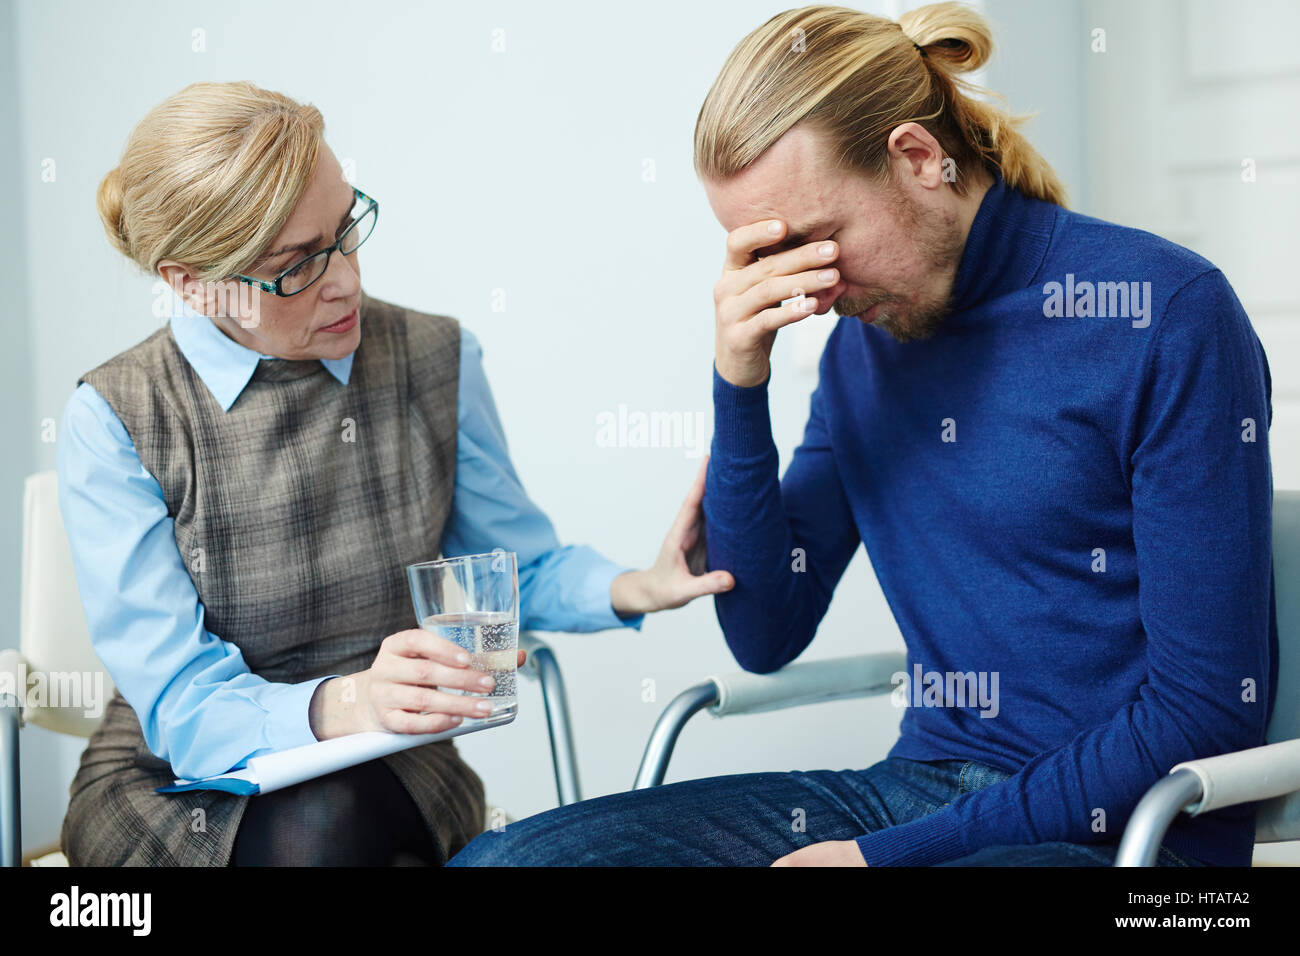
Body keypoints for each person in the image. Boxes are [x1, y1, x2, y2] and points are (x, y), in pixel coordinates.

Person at [447, 1, 1275, 867]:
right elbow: (767, 634)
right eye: (768, 260)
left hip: (1134, 839)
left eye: (817, 243)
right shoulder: (860, 352)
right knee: (502, 864)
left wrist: (884, 859)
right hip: (921, 789)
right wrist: (741, 377)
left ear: (918, 158)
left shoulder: (1164, 314)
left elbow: (1204, 713)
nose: (807, 290)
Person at [58, 80, 733, 867]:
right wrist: (347, 700)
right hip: (173, 776)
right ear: (188, 282)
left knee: (333, 828)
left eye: (345, 230)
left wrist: (635, 586)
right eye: (296, 266)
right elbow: (181, 703)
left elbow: (500, 577)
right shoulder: (119, 417)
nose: (344, 277)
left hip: (388, 755)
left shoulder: (433, 359)